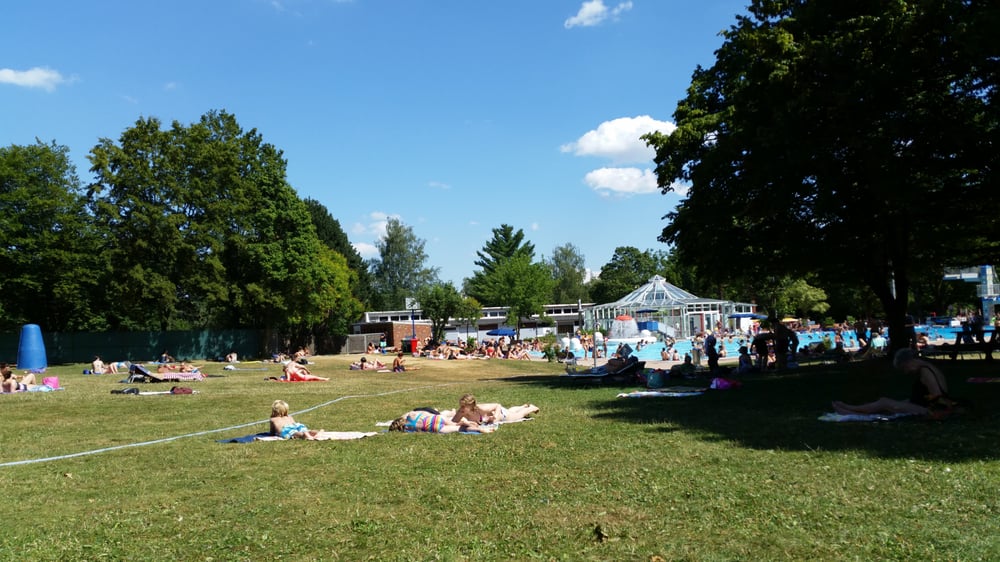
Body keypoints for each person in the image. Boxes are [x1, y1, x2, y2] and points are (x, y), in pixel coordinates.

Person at [831, 348, 961, 417]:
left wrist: (927, 411)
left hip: (933, 410)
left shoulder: (926, 372)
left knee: (885, 402)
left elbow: (937, 396)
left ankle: (851, 411)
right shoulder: (929, 367)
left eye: (905, 368)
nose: (907, 372)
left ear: (909, 362)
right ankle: (851, 409)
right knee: (892, 403)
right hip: (929, 407)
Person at [450, 393, 539, 424]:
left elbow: (497, 405)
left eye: (463, 406)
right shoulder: (461, 411)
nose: (461, 408)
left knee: (519, 415)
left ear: (471, 406)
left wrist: (495, 417)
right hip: (503, 412)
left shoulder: (481, 409)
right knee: (511, 411)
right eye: (461, 405)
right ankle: (522, 406)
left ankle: (532, 408)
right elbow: (453, 422)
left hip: (501, 414)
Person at [388, 410, 493, 433]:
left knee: (459, 429)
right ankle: (464, 422)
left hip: (431, 427)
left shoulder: (407, 428)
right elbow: (425, 413)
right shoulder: (411, 415)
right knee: (456, 424)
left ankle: (479, 429)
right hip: (436, 418)